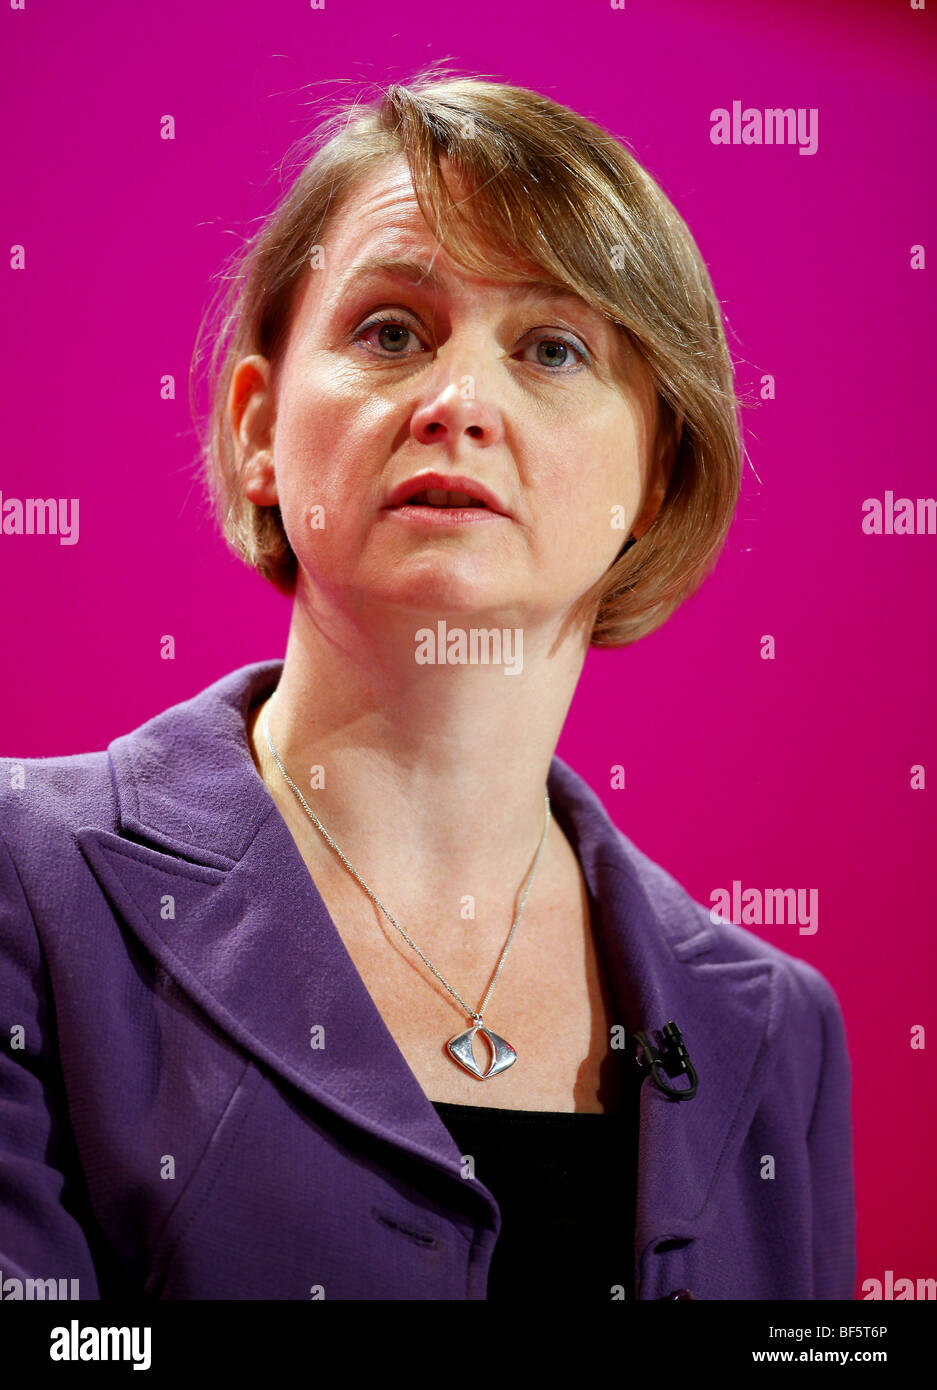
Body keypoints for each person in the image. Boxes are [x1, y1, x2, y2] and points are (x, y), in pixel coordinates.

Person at [0, 72, 855, 1301]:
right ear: (256, 428)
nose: (459, 405)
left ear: (657, 478)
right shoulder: (28, 887)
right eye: (391, 331)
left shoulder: (778, 1032)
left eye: (553, 348)